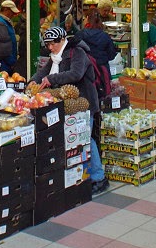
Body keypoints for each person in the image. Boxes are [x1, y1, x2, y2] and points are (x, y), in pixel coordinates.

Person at [33, 27, 108, 194]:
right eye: (47, 45)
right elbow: (42, 73)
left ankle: (98, 177)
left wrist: (51, 79)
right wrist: (31, 82)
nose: (50, 48)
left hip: (84, 103)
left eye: (53, 44)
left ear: (62, 41)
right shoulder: (55, 58)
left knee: (86, 140)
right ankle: (79, 176)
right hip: (68, 106)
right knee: (76, 141)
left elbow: (76, 74)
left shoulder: (77, 53)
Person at [76, 10, 118, 93]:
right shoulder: (105, 36)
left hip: (85, 72)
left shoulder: (80, 35)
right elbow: (111, 55)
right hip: (102, 71)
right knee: (103, 95)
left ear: (87, 19)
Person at [0, 0, 19, 73]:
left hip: (7, 62)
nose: (13, 14)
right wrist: (11, 62)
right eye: (12, 12)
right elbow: (2, 46)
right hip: (5, 63)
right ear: (6, 9)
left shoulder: (5, 22)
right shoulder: (1, 23)